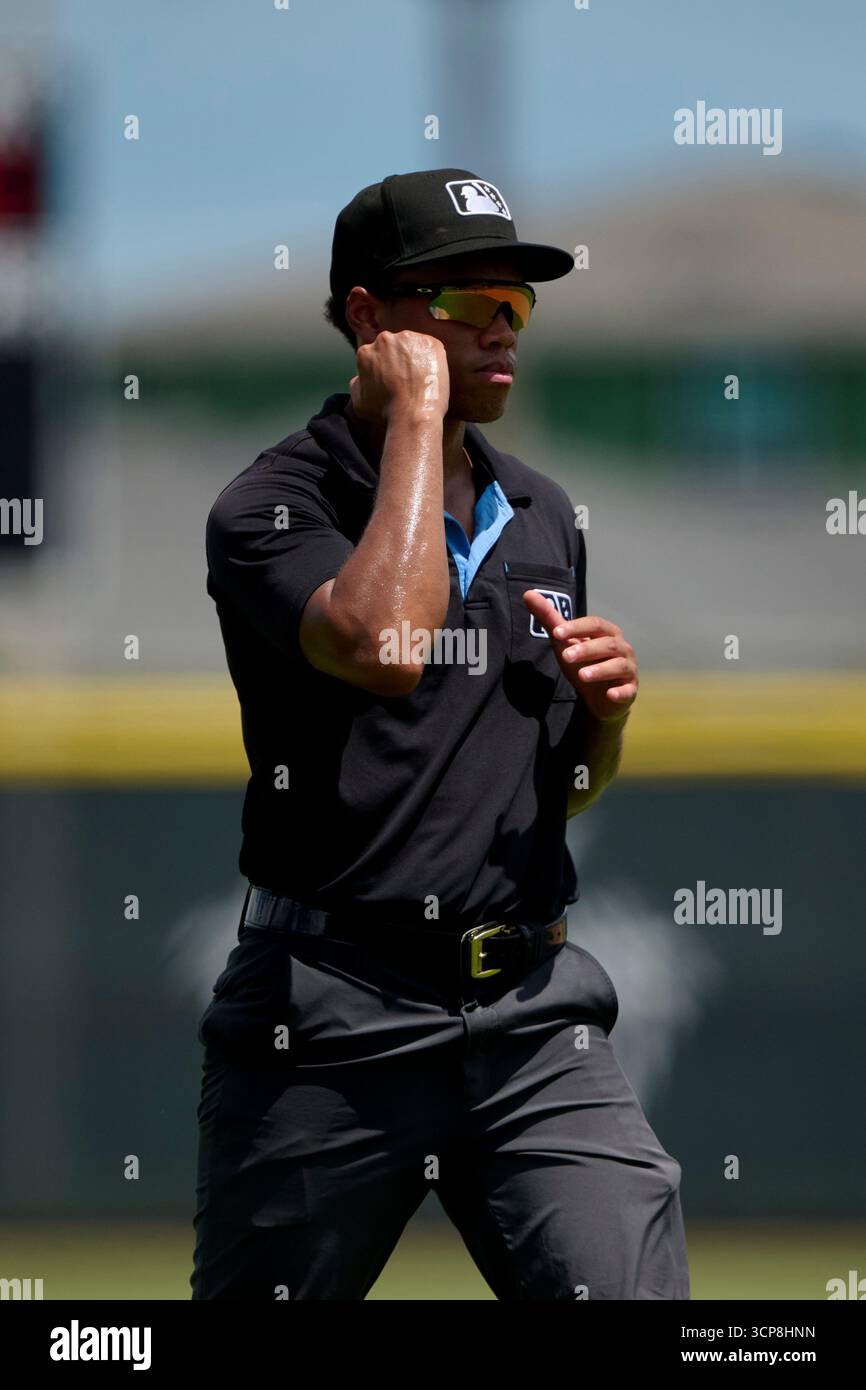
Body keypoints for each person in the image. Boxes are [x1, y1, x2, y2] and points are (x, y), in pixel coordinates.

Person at [190, 167, 690, 1301]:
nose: (502, 332)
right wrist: (417, 415)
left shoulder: (544, 514)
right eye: (468, 305)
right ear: (370, 316)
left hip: (529, 1013)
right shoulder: (272, 504)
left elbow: (559, 788)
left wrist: (604, 724)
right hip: (328, 1018)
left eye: (518, 305)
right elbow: (381, 644)